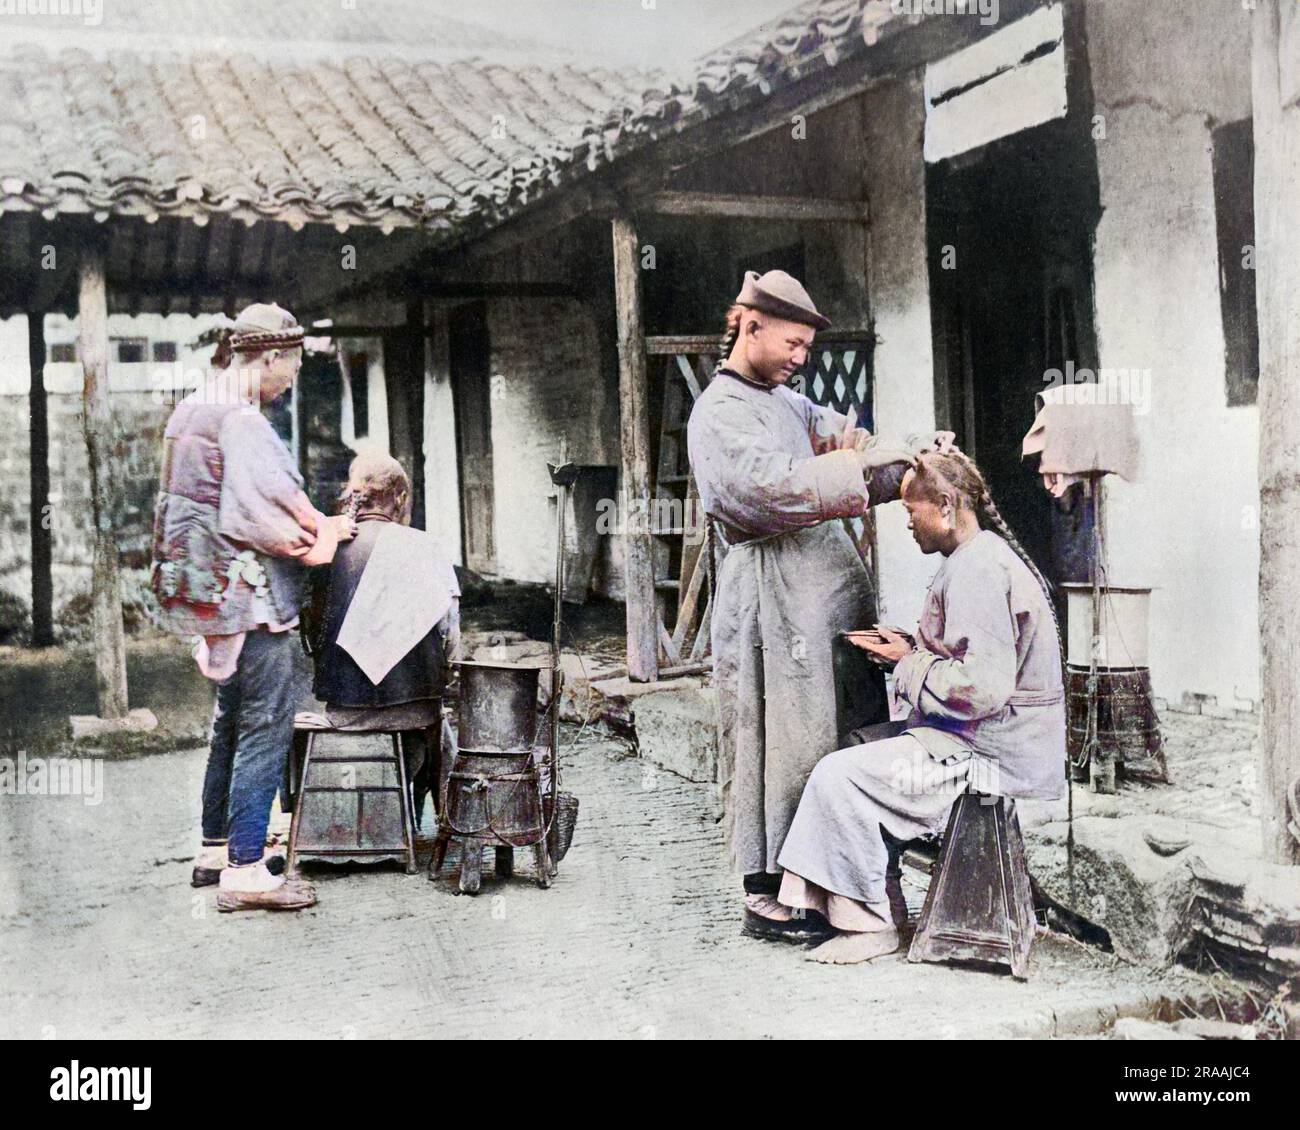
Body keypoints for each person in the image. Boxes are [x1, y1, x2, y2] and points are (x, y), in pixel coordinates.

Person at [686, 268, 946, 942]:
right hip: (773, 597)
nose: (803, 358)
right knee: (780, 738)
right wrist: (857, 468)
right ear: (750, 325)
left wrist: (912, 457)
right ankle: (769, 890)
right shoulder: (719, 411)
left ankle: (835, 878)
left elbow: (849, 442)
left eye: (808, 347)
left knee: (838, 730)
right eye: (794, 343)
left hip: (826, 593)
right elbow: (762, 494)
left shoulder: (787, 402)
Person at [776, 449, 1067, 964]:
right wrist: (909, 648)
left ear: (947, 505)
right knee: (858, 746)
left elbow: (983, 688)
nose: (908, 524)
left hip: (990, 755)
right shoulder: (978, 557)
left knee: (836, 776)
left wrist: (908, 661)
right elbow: (969, 657)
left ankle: (871, 926)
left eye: (912, 512)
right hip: (978, 738)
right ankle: (880, 903)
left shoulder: (978, 568)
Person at [151, 303, 354, 912]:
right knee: (267, 722)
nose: (289, 382)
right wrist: (323, 535)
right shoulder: (239, 420)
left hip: (208, 592)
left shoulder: (192, 408)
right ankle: (245, 870)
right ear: (270, 356)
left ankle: (215, 847)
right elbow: (265, 509)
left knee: (230, 719)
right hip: (249, 592)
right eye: (289, 370)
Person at [303, 452, 460, 827]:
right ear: (400, 498)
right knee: (441, 732)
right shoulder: (425, 548)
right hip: (414, 709)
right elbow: (450, 635)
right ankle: (449, 823)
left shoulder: (327, 548)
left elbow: (309, 633)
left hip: (344, 708)